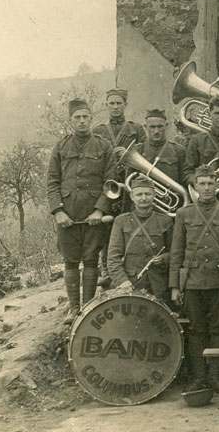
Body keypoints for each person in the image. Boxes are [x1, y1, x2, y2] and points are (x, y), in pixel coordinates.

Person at [169, 165, 219, 399]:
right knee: (197, 330)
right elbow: (177, 251)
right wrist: (175, 286)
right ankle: (199, 378)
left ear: (217, 185)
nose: (207, 188)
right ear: (194, 187)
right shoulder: (184, 214)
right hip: (193, 282)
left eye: (211, 183)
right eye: (202, 183)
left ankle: (215, 376)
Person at [46, 98, 116, 321]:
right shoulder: (61, 146)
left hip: (93, 215)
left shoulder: (104, 146)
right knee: (70, 261)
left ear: (91, 118)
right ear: (70, 120)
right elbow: (52, 182)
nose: (82, 121)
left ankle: (88, 307)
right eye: (77, 118)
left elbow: (111, 182)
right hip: (68, 214)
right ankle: (74, 307)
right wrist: (58, 211)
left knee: (91, 260)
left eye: (86, 117)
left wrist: (99, 210)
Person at [92, 88, 146, 273]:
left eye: (119, 103)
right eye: (111, 103)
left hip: (130, 183)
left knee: (131, 224)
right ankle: (107, 268)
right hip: (107, 184)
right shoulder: (98, 131)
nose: (115, 107)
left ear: (125, 105)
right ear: (106, 105)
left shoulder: (136, 129)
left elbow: (144, 156)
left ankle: (131, 266)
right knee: (106, 228)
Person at [106, 177, 173, 303]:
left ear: (154, 195)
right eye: (139, 194)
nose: (143, 198)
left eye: (147, 194)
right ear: (132, 196)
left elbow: (174, 253)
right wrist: (123, 281)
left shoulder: (166, 221)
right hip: (131, 285)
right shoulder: (121, 221)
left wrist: (164, 258)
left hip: (159, 285)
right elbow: (113, 258)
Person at [133, 108, 187, 188]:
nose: (156, 131)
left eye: (160, 126)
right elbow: (130, 182)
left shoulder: (178, 150)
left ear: (166, 126)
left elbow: (184, 181)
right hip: (144, 198)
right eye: (152, 127)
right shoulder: (137, 151)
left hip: (172, 198)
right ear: (145, 127)